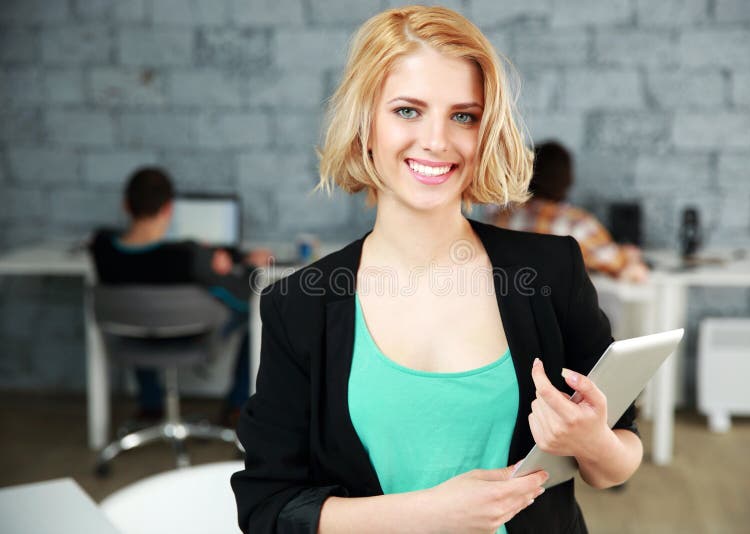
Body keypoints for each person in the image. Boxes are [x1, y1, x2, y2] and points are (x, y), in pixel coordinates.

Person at [231, 6, 642, 534]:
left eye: (463, 116)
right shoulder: (299, 306)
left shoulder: (551, 270)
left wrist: (593, 442)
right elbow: (268, 510)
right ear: (365, 125)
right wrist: (432, 514)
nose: (437, 141)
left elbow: (618, 458)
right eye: (407, 111)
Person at [90, 167, 272, 426]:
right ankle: (237, 405)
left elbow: (114, 238)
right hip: (189, 338)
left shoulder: (102, 248)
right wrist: (250, 266)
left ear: (126, 205)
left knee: (140, 310)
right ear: (168, 209)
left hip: (134, 340)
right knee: (257, 315)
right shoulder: (188, 255)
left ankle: (151, 405)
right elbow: (242, 295)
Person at [490, 141, 649, 283]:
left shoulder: (500, 218)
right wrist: (631, 256)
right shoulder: (576, 224)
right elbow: (621, 267)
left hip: (507, 304)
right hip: (557, 306)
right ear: (567, 179)